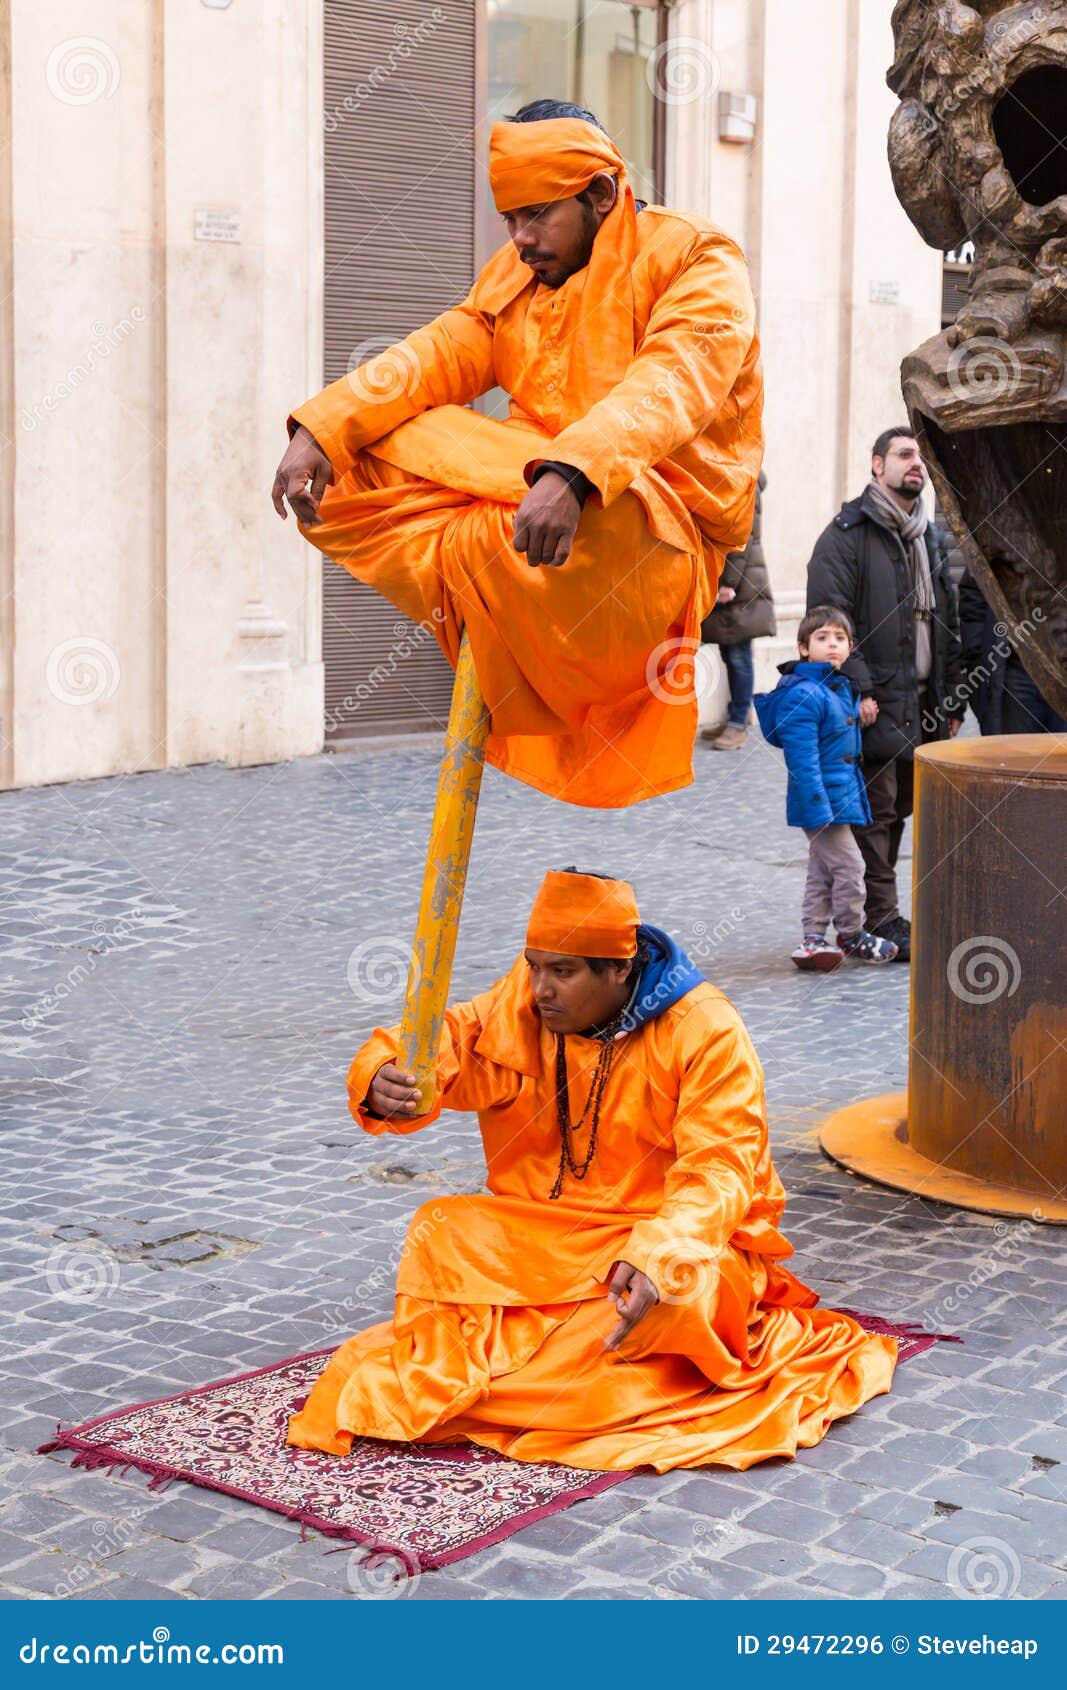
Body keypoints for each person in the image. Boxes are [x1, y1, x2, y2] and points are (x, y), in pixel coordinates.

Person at [287, 869, 896, 1473]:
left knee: (675, 1300)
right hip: (547, 1232)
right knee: (440, 1228)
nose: (541, 990)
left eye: (564, 972)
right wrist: (382, 1072)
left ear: (621, 970)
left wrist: (660, 1252)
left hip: (663, 1237)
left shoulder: (705, 1029)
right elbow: (447, 1039)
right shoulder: (525, 1003)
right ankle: (540, 1373)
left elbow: (721, 1166)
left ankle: (520, 1377)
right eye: (535, 966)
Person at [271, 101, 763, 810]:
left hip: (650, 529)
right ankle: (492, 573)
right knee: (362, 449)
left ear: (599, 194)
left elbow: (673, 379)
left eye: (537, 216)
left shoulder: (695, 257)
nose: (520, 238)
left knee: (575, 511)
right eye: (508, 219)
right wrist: (320, 429)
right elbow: (436, 354)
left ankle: (499, 571)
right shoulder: (517, 277)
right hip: (531, 488)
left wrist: (574, 474)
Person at [805, 426, 964, 961]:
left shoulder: (929, 537)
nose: (915, 462)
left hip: (925, 702)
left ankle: (863, 914)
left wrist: (953, 699)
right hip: (871, 705)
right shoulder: (846, 535)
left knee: (901, 810)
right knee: (875, 811)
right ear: (877, 466)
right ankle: (878, 919)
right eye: (903, 454)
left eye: (919, 455)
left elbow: (948, 621)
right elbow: (828, 622)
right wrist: (860, 690)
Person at [755, 608, 897, 971]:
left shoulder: (837, 688)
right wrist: (818, 806)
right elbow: (803, 761)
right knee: (851, 865)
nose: (831, 644)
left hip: (838, 797)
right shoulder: (804, 694)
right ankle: (851, 933)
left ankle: (812, 939)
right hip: (819, 802)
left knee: (822, 870)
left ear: (851, 647)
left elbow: (838, 748)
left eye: (839, 638)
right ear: (804, 648)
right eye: (822, 638)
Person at [700, 469, 776, 751]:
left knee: (739, 655)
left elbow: (742, 535)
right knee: (730, 651)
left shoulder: (745, 478)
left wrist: (728, 582)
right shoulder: (735, 473)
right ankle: (736, 715)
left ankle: (738, 725)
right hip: (732, 577)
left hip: (739, 582)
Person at [957, 569, 1067, 734]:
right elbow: (974, 590)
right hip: (1016, 671)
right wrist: (978, 665)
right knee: (1017, 755)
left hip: (1061, 669)